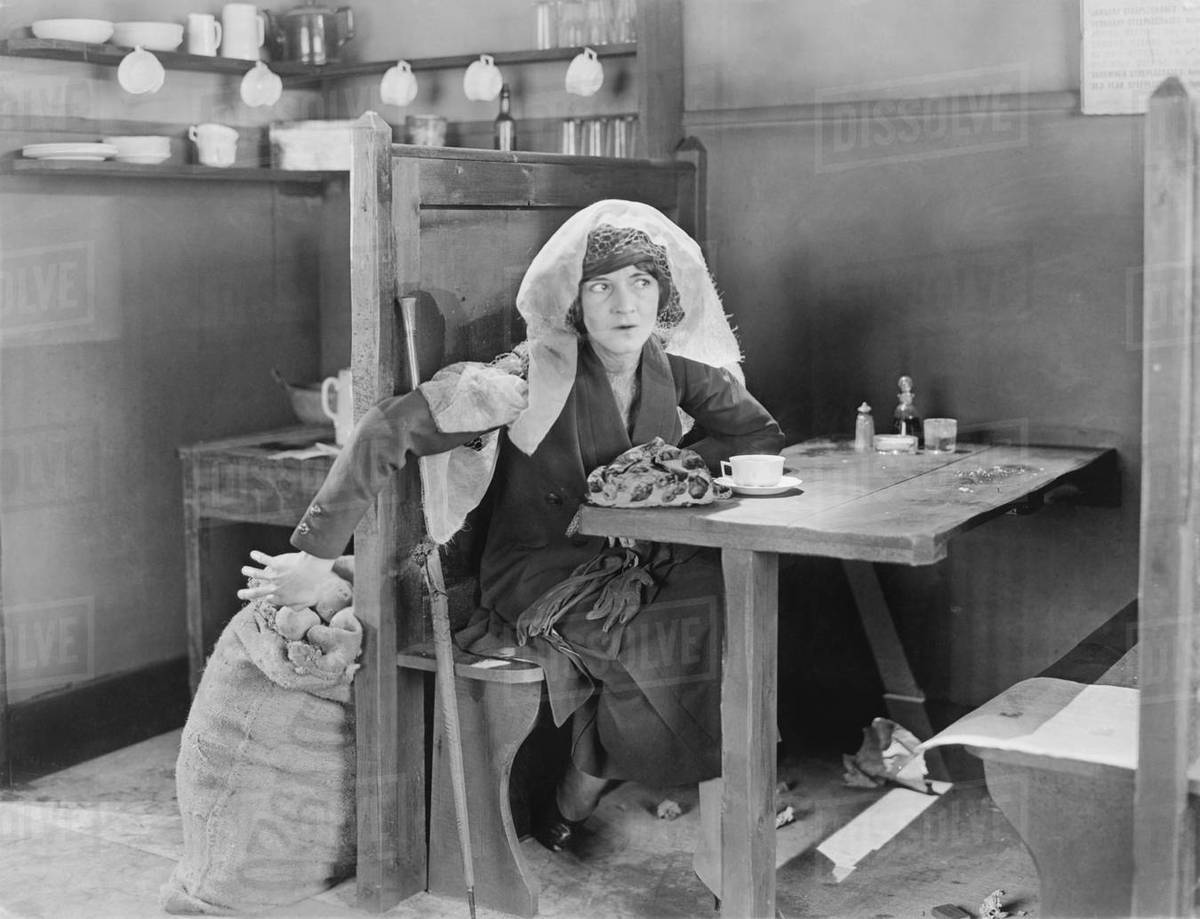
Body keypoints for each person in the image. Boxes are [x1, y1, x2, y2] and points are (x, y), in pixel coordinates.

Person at [238, 199, 783, 879]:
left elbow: (757, 432)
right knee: (654, 635)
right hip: (541, 572)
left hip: (639, 559)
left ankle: (611, 784)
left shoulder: (670, 367)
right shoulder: (528, 375)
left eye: (642, 283)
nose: (624, 303)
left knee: (726, 601)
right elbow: (386, 430)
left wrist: (668, 472)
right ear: (576, 304)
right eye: (602, 286)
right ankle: (652, 819)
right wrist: (319, 556)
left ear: (663, 297)